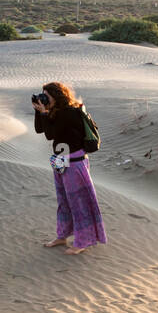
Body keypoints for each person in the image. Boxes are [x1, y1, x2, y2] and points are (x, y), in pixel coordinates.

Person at [33, 82, 106, 255]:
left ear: (57, 96)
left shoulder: (69, 113)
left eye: (46, 96)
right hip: (59, 159)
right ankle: (62, 235)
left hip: (75, 161)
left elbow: (51, 134)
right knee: (63, 201)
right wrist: (39, 111)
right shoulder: (55, 112)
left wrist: (44, 112)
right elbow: (39, 130)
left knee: (78, 203)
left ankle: (82, 241)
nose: (44, 98)